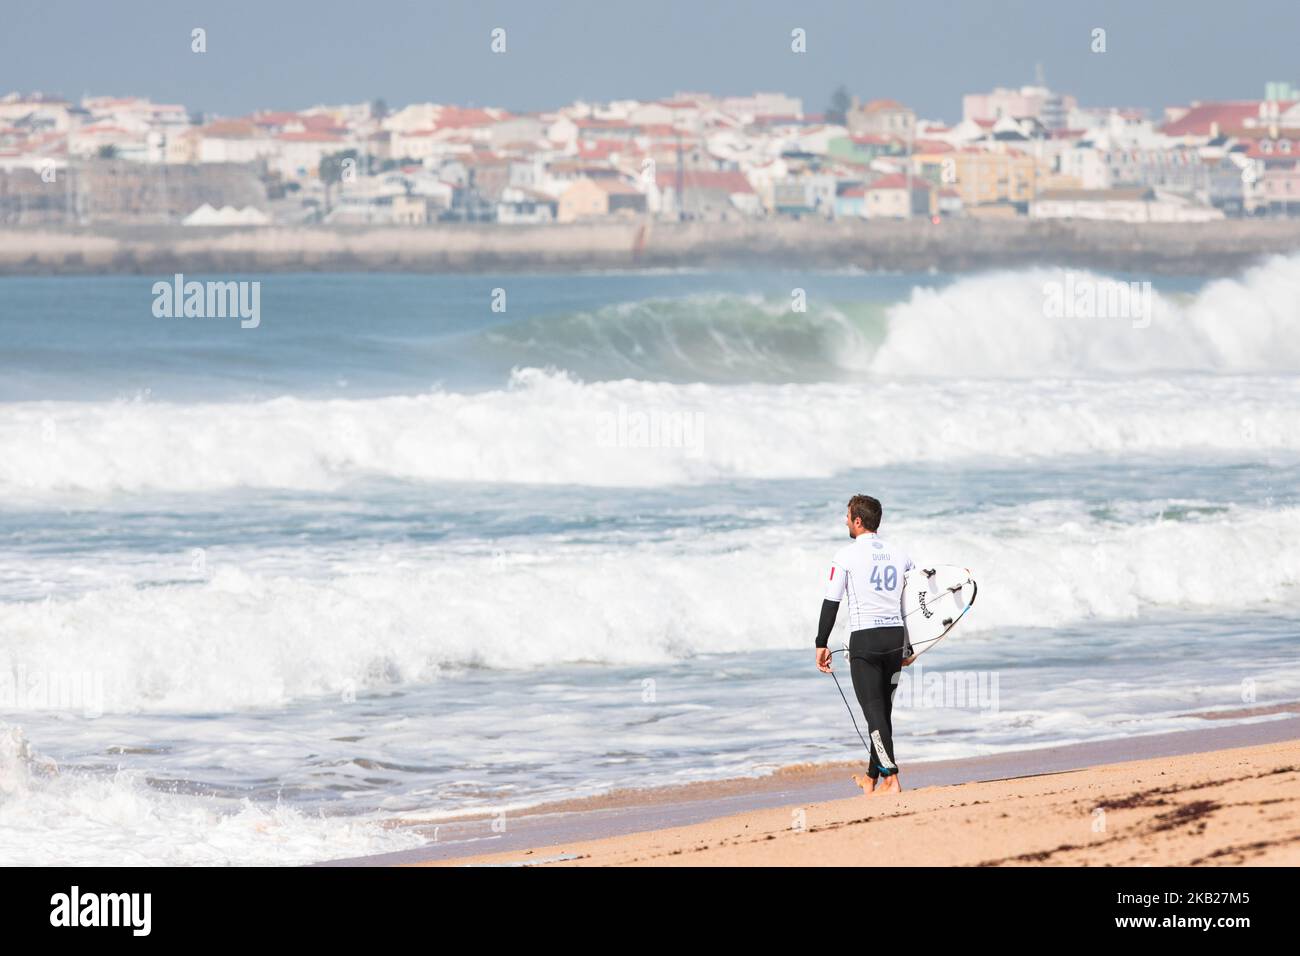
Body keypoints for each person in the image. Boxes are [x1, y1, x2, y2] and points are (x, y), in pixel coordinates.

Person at [814, 494, 914, 796]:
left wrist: (821, 642)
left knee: (873, 711)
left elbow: (832, 601)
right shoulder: (901, 554)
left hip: (866, 640)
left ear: (858, 521)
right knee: (881, 712)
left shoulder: (846, 556)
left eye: (847, 516)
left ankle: (891, 778)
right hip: (894, 638)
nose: (845, 521)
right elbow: (913, 601)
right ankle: (871, 778)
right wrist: (909, 646)